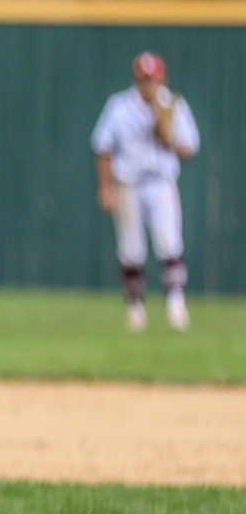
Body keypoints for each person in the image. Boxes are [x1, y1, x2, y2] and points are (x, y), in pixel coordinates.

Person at [92, 52, 199, 331]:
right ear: (137, 79)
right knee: (131, 248)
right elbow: (104, 148)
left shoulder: (172, 105)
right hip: (129, 182)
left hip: (161, 182)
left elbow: (190, 148)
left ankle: (176, 307)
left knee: (169, 242)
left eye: (153, 79)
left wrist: (170, 139)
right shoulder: (119, 107)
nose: (149, 85)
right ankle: (135, 309)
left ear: (162, 79)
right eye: (144, 79)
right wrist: (106, 187)